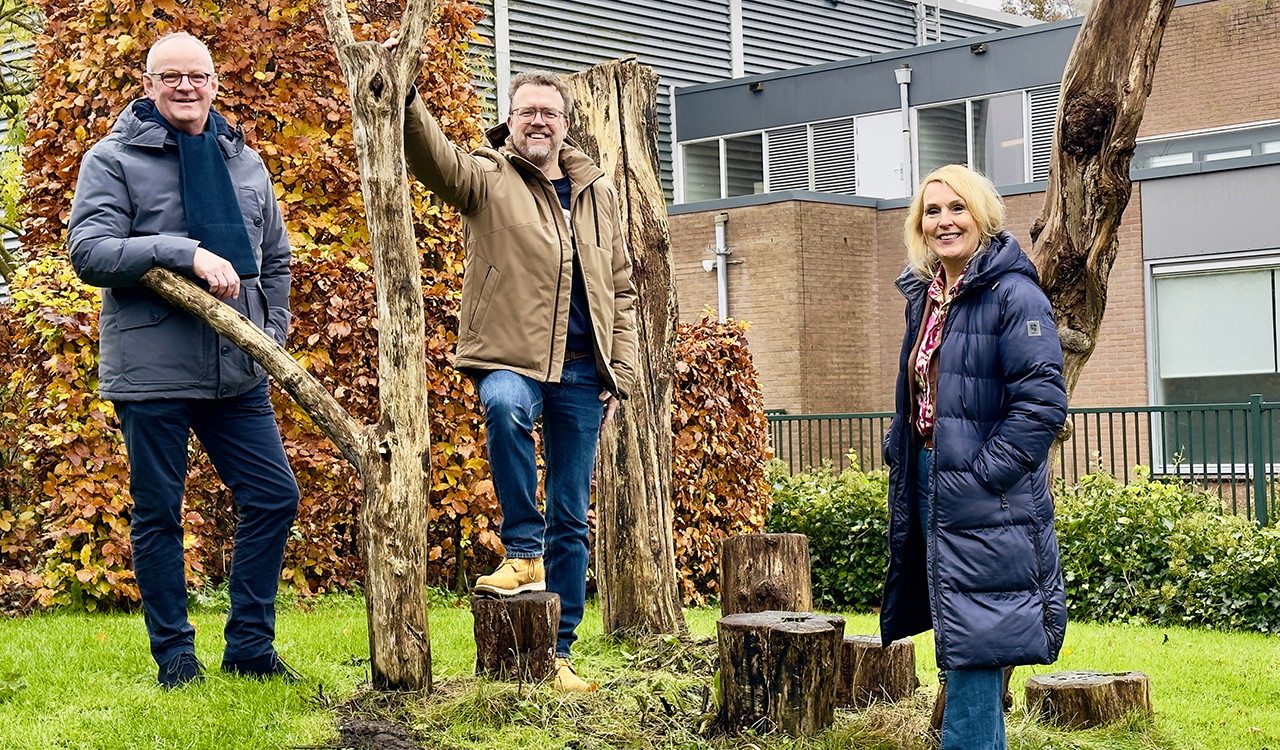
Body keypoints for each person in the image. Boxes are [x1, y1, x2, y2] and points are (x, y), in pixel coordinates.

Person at [388, 39, 638, 692]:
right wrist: (407, 89)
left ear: (564, 122)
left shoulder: (596, 191)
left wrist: (625, 375)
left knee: (571, 515)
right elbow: (431, 160)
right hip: (513, 358)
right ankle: (522, 553)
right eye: (526, 111)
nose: (537, 122)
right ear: (511, 118)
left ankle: (556, 653)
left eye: (548, 113)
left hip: (585, 371)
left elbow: (622, 285)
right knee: (501, 407)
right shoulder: (486, 174)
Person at [68, 32, 299, 689]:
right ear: (148, 85)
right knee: (159, 512)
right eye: (170, 77)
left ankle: (250, 646)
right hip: (152, 366)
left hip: (238, 366)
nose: (186, 87)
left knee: (275, 496)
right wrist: (179, 250)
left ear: (215, 83)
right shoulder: (111, 160)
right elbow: (89, 251)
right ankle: (175, 655)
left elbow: (275, 258)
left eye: (197, 75)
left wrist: (271, 331)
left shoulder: (244, 161)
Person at [879, 164, 1069, 749]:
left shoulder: (1014, 293)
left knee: (974, 641)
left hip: (987, 495)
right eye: (931, 212)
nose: (945, 222)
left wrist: (985, 476)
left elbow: (1041, 404)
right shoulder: (929, 295)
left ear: (982, 215)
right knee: (962, 635)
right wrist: (903, 451)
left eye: (957, 208)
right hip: (935, 479)